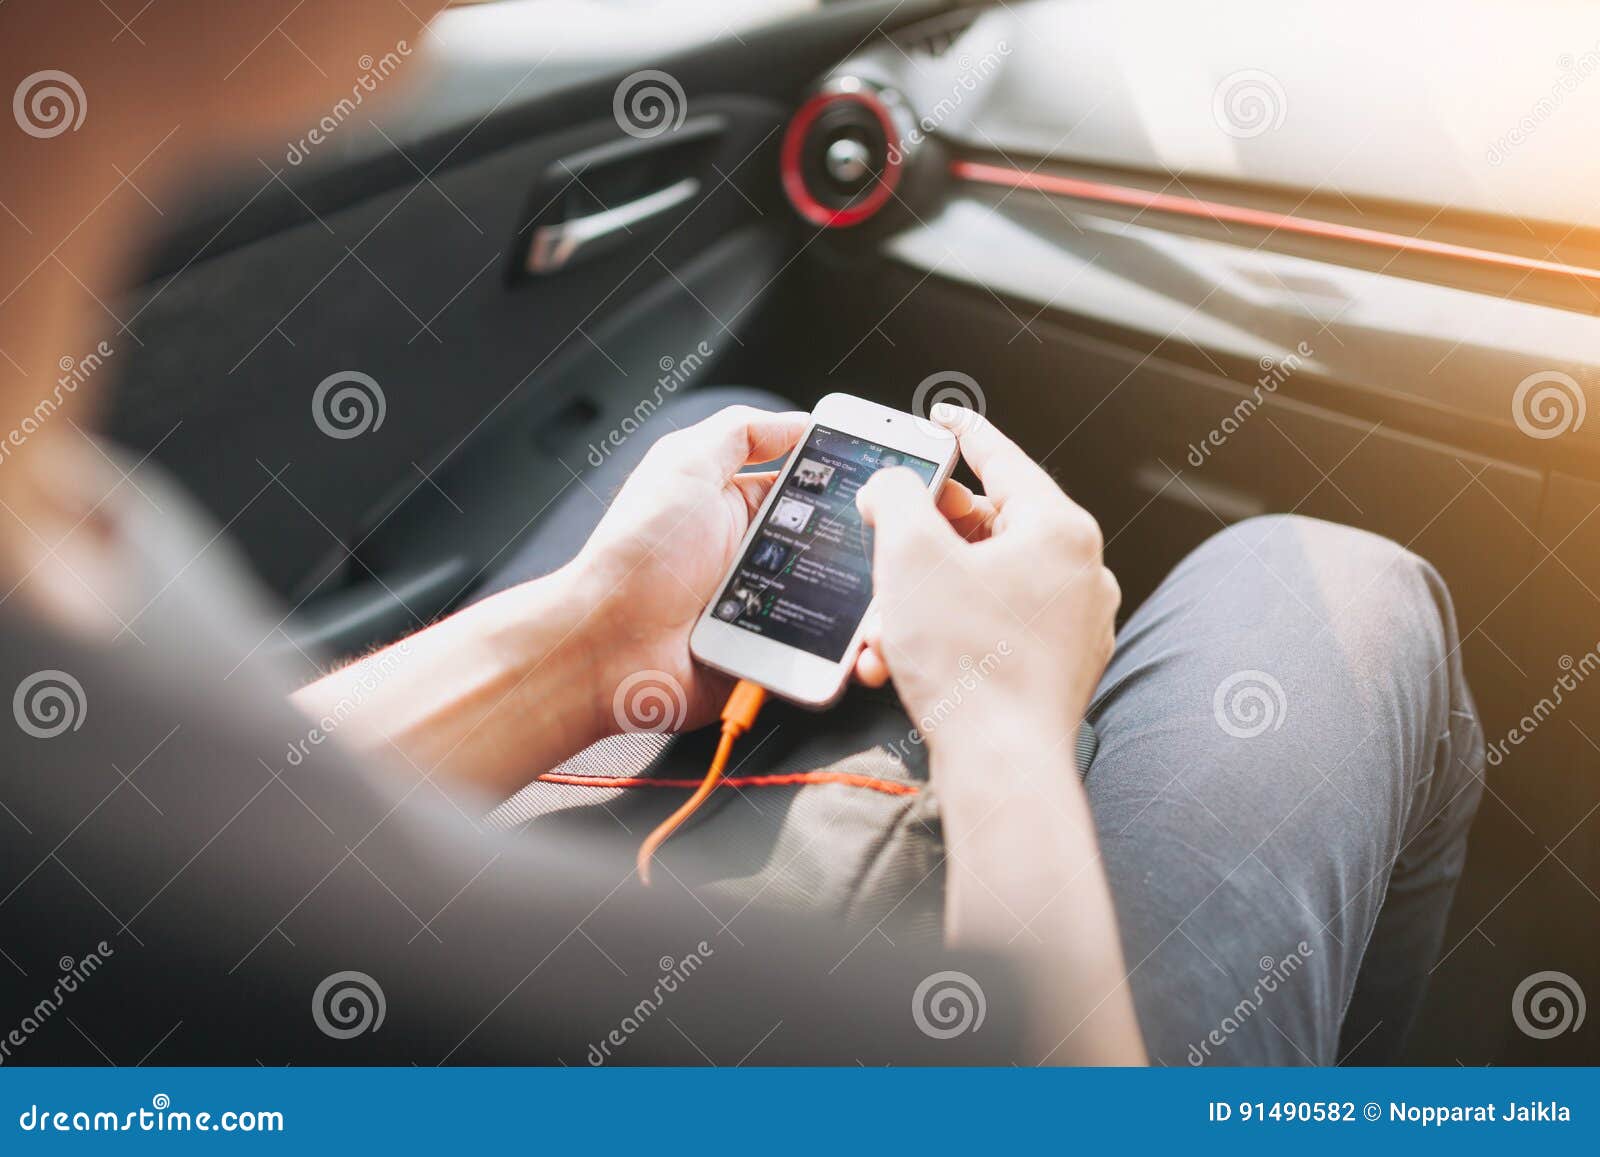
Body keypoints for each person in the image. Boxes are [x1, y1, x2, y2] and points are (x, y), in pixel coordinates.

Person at [0, 1, 1482, 1066]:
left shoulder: (66, 570)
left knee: (710, 434)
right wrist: (1003, 724)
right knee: (1338, 594)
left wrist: (593, 637)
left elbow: (234, 822)